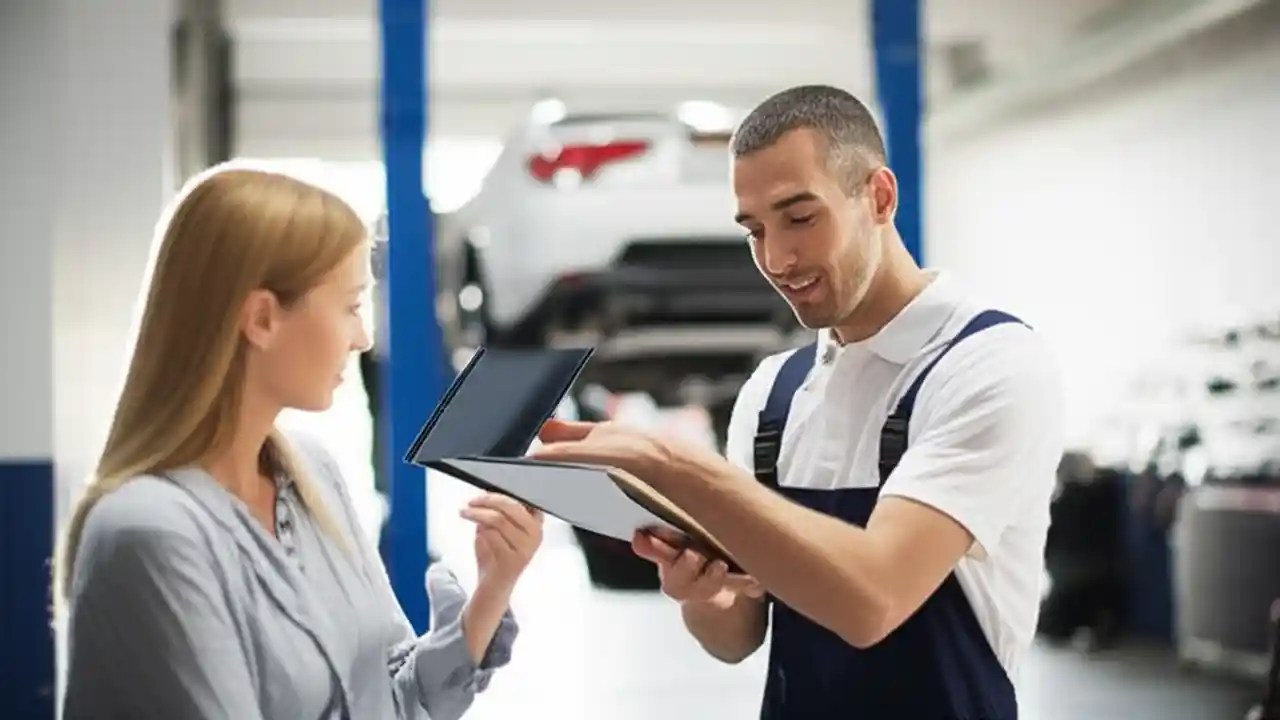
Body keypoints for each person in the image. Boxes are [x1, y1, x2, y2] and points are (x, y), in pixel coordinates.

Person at [535, 85, 1065, 719]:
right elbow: (737, 637)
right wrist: (703, 595)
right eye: (754, 230)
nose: (777, 259)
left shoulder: (987, 366)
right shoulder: (773, 397)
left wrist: (669, 465)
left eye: (800, 218)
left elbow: (874, 598)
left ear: (879, 196)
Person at [56, 165, 544, 719]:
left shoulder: (310, 474)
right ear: (262, 318)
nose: (361, 338)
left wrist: (491, 592)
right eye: (351, 306)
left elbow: (387, 698)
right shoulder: (152, 532)